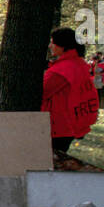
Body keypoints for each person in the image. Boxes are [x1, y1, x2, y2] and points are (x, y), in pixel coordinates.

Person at [41, 27, 100, 156]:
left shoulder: (63, 69)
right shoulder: (79, 64)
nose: (50, 45)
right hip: (68, 126)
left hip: (57, 127)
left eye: (53, 42)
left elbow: (40, 92)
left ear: (63, 46)